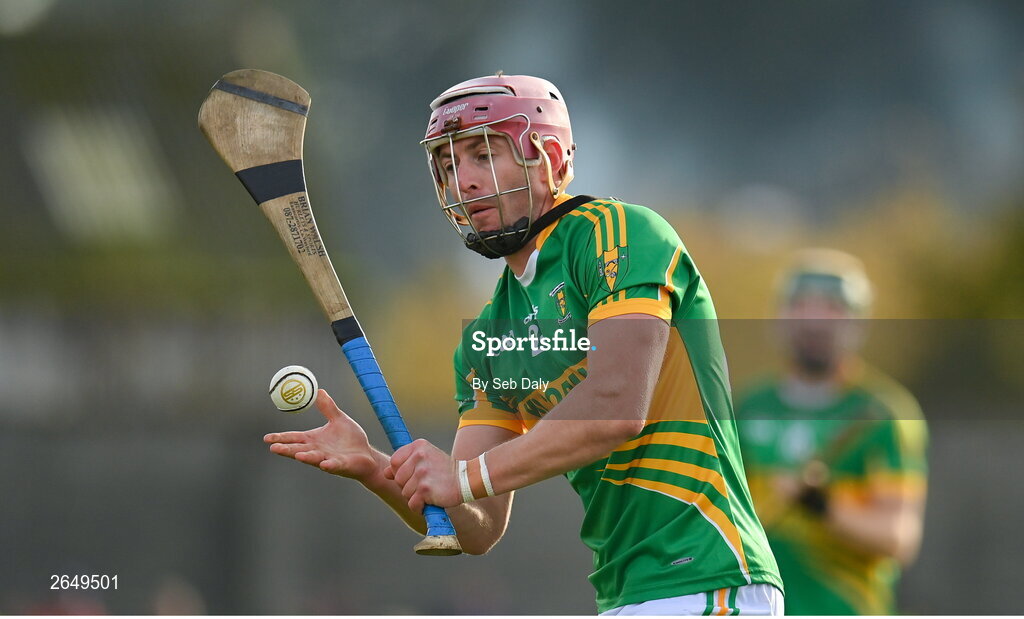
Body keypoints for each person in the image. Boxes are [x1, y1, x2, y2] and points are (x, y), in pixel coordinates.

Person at [265, 74, 783, 615]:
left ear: (549, 156)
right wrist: (377, 468)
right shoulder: (488, 338)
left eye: (481, 156)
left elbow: (616, 407)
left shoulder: (618, 235)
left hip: (710, 574)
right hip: (623, 592)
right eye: (447, 166)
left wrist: (460, 476)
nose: (462, 181)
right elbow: (478, 524)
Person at [734, 249, 928, 615]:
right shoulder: (746, 407)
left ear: (858, 321)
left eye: (832, 308)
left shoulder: (884, 414)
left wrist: (822, 507)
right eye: (802, 306)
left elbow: (899, 538)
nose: (816, 321)